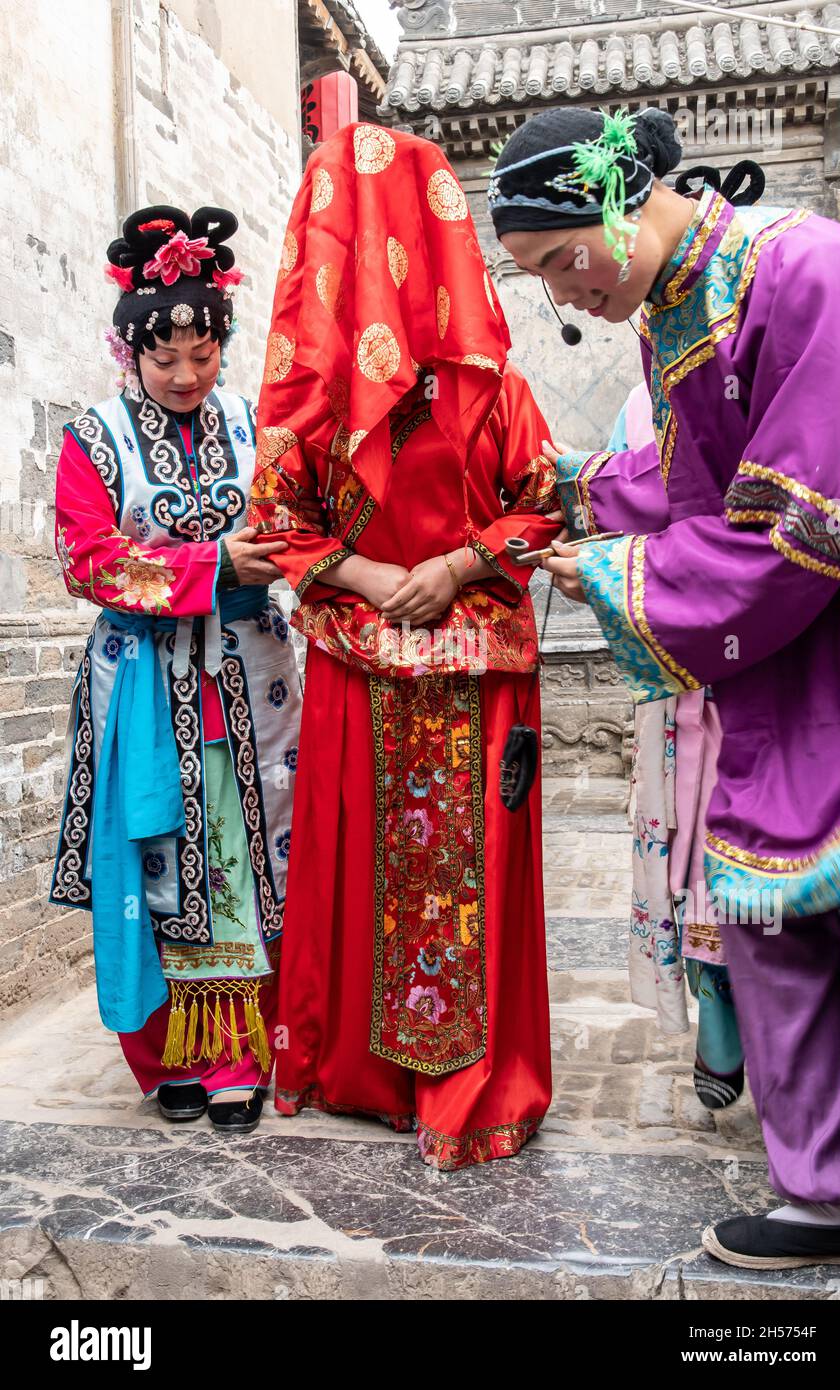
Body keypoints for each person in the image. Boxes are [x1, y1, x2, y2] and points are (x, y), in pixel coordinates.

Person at [490, 105, 840, 1267]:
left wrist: (614, 567)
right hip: (773, 664)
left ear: (615, 204)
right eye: (541, 281)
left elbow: (806, 519)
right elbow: (708, 485)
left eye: (561, 263)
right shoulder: (673, 307)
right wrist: (589, 496)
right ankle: (827, 1190)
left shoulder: (809, 272)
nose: (565, 296)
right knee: (763, 908)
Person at [248, 123, 560, 1169]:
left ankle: (460, 1085)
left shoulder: (491, 386)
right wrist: (373, 573)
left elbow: (540, 508)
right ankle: (366, 1075)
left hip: (470, 673)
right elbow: (271, 527)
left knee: (462, 880)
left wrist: (460, 564)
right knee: (358, 875)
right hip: (356, 664)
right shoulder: (310, 401)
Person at [50, 205, 307, 1134]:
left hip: (254, 678)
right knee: (157, 854)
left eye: (202, 356)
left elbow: (301, 525)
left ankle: (250, 1046)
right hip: (147, 681)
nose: (187, 376)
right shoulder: (92, 440)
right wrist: (217, 566)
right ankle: (168, 1052)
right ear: (132, 354)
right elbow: (88, 559)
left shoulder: (261, 425)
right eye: (165, 361)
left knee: (255, 852)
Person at [608, 384, 745, 1109]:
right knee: (685, 853)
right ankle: (715, 990)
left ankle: (768, 1005)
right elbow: (613, 528)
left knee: (749, 854)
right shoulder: (637, 408)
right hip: (675, 666)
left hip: (763, 663)